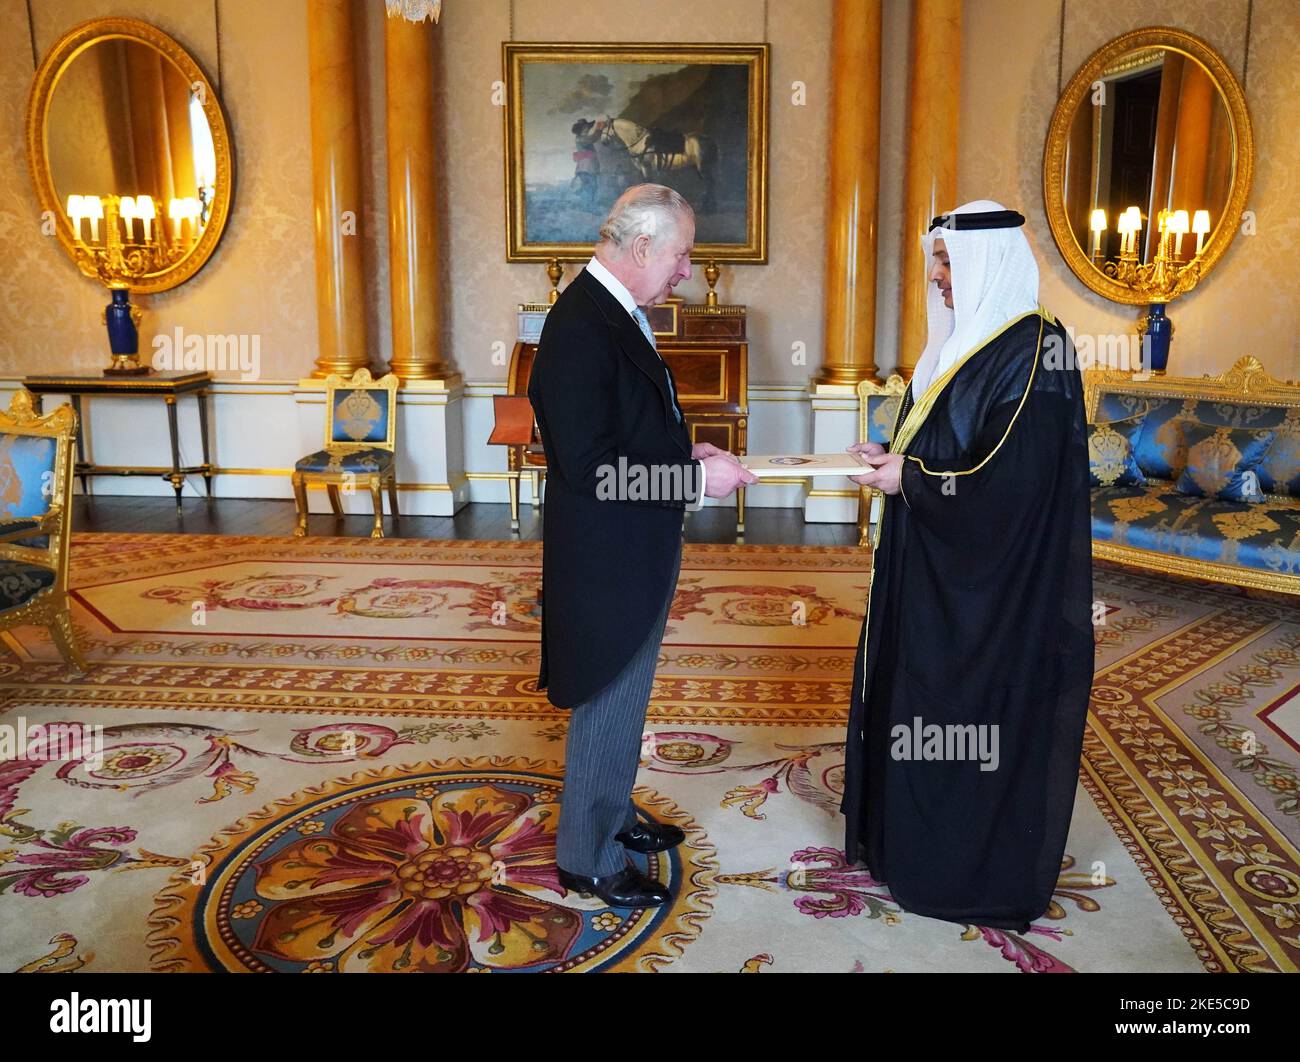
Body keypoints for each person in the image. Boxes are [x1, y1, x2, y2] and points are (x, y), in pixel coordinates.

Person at [841, 199, 1094, 931]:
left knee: (964, 709)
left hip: (991, 588)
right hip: (931, 560)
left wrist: (909, 482)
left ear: (988, 263)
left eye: (949, 262)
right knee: (914, 690)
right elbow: (942, 441)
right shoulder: (964, 341)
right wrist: (896, 463)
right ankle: (904, 841)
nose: (939, 279)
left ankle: (962, 868)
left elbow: (1013, 482)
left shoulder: (1038, 348)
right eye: (937, 262)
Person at [528, 183, 756, 909]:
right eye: (682, 254)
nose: (687, 269)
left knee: (628, 699)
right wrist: (692, 482)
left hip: (632, 545)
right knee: (609, 695)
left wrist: (687, 450)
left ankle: (613, 815)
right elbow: (594, 470)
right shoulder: (578, 328)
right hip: (605, 557)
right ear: (642, 248)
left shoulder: (612, 310)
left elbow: (626, 425)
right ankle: (586, 859)